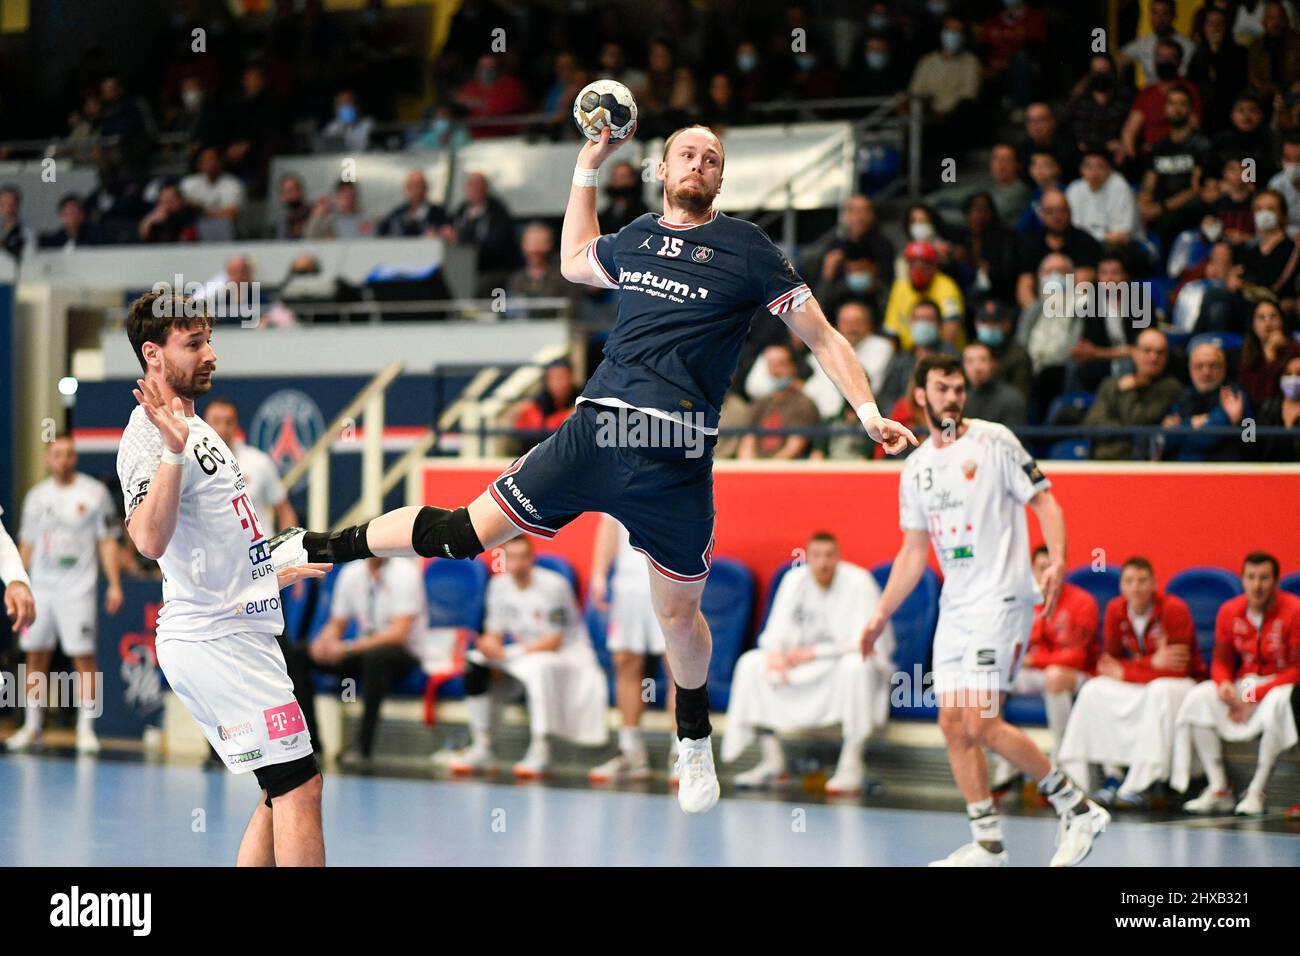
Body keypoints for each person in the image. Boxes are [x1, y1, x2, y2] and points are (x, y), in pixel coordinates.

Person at [271, 123, 917, 816]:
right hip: (594, 431)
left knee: (677, 618)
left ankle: (692, 737)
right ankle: (314, 545)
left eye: (713, 159)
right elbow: (576, 257)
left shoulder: (749, 250)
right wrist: (586, 164)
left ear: (721, 181)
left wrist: (867, 409)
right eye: (688, 155)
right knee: (464, 533)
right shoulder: (635, 236)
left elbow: (820, 334)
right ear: (664, 168)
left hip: (676, 457)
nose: (699, 164)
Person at [862, 354, 1109, 867]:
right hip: (956, 607)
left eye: (959, 388)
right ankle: (989, 844)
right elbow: (912, 553)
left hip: (1002, 600)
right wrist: (879, 616)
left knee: (980, 721)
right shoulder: (917, 467)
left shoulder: (994, 441)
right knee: (953, 723)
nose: (953, 396)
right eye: (943, 388)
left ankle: (1077, 807)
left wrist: (1058, 558)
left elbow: (1045, 500)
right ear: (922, 395)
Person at [116, 292, 328, 866]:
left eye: (210, 340)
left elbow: (217, 539)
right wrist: (170, 455)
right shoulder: (149, 436)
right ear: (152, 354)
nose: (211, 353)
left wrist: (268, 572)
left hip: (239, 629)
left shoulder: (194, 426)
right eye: (195, 343)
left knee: (279, 790)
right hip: (214, 639)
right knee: (299, 787)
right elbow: (148, 542)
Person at [724, 531, 894, 795]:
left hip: (839, 665)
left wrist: (817, 652)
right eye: (817, 556)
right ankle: (773, 761)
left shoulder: (860, 582)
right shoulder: (794, 581)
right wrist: (776, 654)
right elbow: (773, 632)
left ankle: (851, 764)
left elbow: (869, 642)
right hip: (801, 666)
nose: (823, 563)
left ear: (838, 556)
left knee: (856, 667)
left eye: (829, 556)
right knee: (751, 664)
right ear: (808, 556)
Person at [444, 536, 607, 777]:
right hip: (524, 654)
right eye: (511, 557)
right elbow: (494, 633)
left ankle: (541, 748)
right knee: (475, 662)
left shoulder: (554, 585)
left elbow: (555, 641)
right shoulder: (498, 586)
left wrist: (509, 653)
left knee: (538, 668)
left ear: (532, 559)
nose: (517, 563)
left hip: (568, 655)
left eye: (523, 557)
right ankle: (482, 745)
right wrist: (489, 647)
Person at [1056, 557, 1202, 809]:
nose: (1136, 588)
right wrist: (1149, 664)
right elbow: (1108, 664)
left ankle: (1139, 785)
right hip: (1143, 680)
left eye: (1142, 581)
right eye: (1129, 581)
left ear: (1155, 583)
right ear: (1121, 587)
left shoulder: (1174, 609)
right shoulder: (1115, 609)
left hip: (1183, 685)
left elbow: (1179, 668)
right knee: (1094, 689)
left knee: (1158, 692)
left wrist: (1130, 671)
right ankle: (1095, 778)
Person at [6, 437, 122, 755]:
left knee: (83, 657)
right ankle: (32, 727)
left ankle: (86, 729)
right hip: (42, 591)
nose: (64, 460)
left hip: (78, 591)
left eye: (69, 454)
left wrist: (114, 583)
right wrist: (18, 583)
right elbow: (26, 544)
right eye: (57, 454)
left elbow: (108, 541)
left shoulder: (94, 494)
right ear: (47, 459)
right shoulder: (36, 498)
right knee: (35, 656)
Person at [1172, 552, 1300, 815]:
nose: (1257, 585)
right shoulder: (1229, 611)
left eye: (1264, 578)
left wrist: (1253, 697)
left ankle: (1257, 791)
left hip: (1278, 684)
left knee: (1279, 702)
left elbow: (1297, 669)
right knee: (1199, 696)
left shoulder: (1295, 611)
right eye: (1251, 578)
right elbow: (1220, 661)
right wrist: (1224, 685)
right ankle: (1218, 786)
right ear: (1242, 580)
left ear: (1275, 582)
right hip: (1245, 684)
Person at [289, 557, 428, 763]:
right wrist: (323, 644)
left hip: (403, 654)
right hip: (362, 651)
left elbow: (398, 634)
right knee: (299, 654)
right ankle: (310, 744)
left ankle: (362, 747)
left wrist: (347, 647)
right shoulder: (351, 573)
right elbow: (337, 624)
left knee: (376, 657)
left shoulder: (406, 573)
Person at [587, 514, 679, 783]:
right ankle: (631, 753)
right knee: (625, 663)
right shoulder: (616, 472)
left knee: (679, 668)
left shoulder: (681, 472)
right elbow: (609, 525)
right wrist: (599, 574)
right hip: (628, 587)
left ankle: (682, 753)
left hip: (671, 579)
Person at [1084, 328, 1183, 460]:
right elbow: (1092, 425)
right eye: (1147, 350)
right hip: (1103, 464)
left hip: (1141, 466)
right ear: (1135, 353)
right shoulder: (1111, 384)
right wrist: (1124, 430)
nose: (1153, 357)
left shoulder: (1170, 387)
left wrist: (1128, 390)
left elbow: (1138, 423)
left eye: (1160, 352)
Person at [202, 397, 297, 534]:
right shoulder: (193, 463)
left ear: (236, 425)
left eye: (229, 422)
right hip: (215, 552)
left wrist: (288, 547)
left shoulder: (258, 462)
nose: (223, 428)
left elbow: (284, 511)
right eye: (216, 421)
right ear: (204, 425)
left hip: (261, 551)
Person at [1161, 341, 1252, 461]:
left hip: (1226, 472)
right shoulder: (1182, 396)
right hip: (1185, 473)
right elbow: (1165, 441)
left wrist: (1185, 428)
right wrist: (1223, 418)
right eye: (1199, 366)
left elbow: (1250, 441)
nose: (1206, 372)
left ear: (1223, 368)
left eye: (1213, 365)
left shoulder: (1235, 395)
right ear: (1190, 369)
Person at [737, 344, 821, 460]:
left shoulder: (804, 403)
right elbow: (748, 441)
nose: (775, 370)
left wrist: (768, 471)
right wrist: (749, 467)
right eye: (770, 364)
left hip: (788, 471)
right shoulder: (760, 402)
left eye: (781, 364)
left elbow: (794, 447)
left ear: (793, 368)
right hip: (757, 468)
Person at [883, 241, 966, 350]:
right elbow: (891, 330)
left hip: (944, 353)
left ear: (935, 265)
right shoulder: (900, 285)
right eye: (913, 262)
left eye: (925, 263)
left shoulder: (946, 287)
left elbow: (951, 328)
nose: (918, 268)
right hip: (909, 354)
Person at [961, 341, 1026, 425]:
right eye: (970, 361)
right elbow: (948, 435)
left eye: (983, 360)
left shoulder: (1011, 399)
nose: (977, 367)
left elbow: (1014, 436)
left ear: (993, 364)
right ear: (963, 365)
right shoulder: (959, 399)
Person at [378, 170, 452, 238]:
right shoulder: (396, 215)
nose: (415, 190)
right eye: (411, 186)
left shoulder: (439, 214)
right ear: (406, 188)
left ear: (426, 188)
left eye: (418, 186)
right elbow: (380, 233)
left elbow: (448, 234)